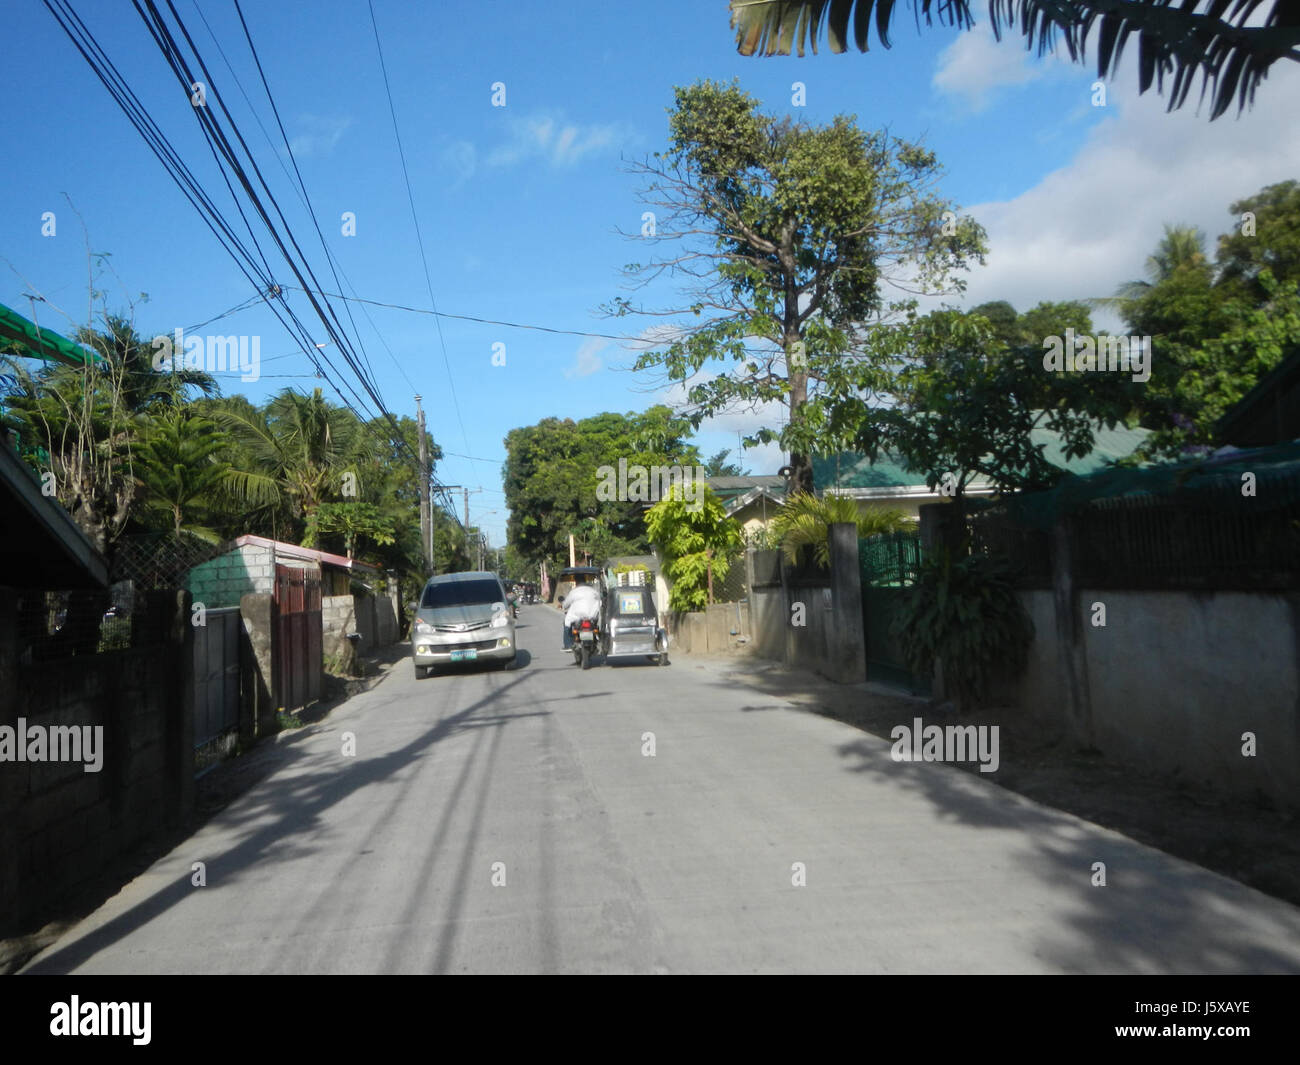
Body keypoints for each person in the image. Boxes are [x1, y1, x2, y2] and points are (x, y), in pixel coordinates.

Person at [562, 577, 602, 649]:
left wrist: (563, 605)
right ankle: (600, 639)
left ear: (577, 583)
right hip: (592, 615)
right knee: (598, 625)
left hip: (577, 616)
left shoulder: (574, 592)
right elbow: (599, 599)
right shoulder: (593, 591)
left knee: (566, 623)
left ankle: (568, 645)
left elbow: (566, 604)